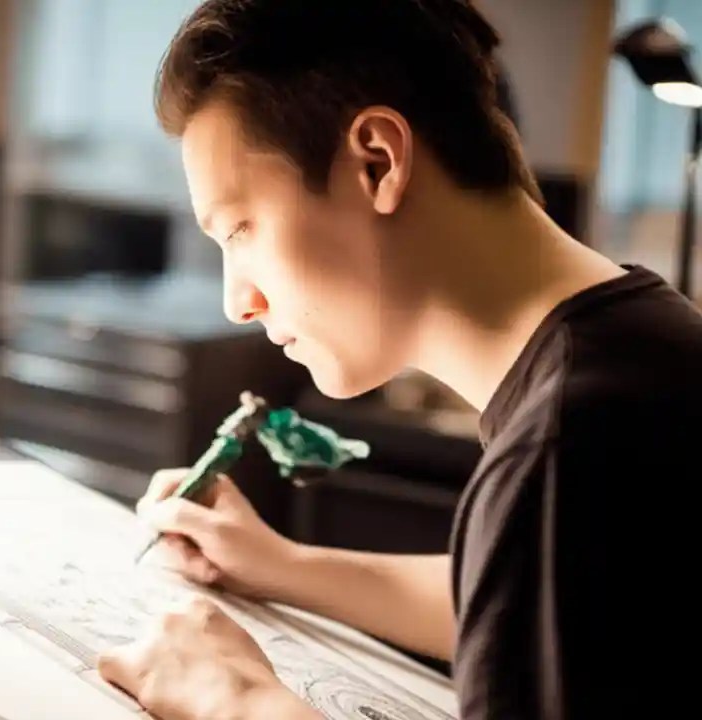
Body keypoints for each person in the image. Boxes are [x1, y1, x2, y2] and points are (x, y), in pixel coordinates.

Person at [94, 1, 702, 719]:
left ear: (377, 160)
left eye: (240, 227)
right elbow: (543, 603)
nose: (239, 300)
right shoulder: (644, 344)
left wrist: (242, 702)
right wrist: (283, 567)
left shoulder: (569, 442)